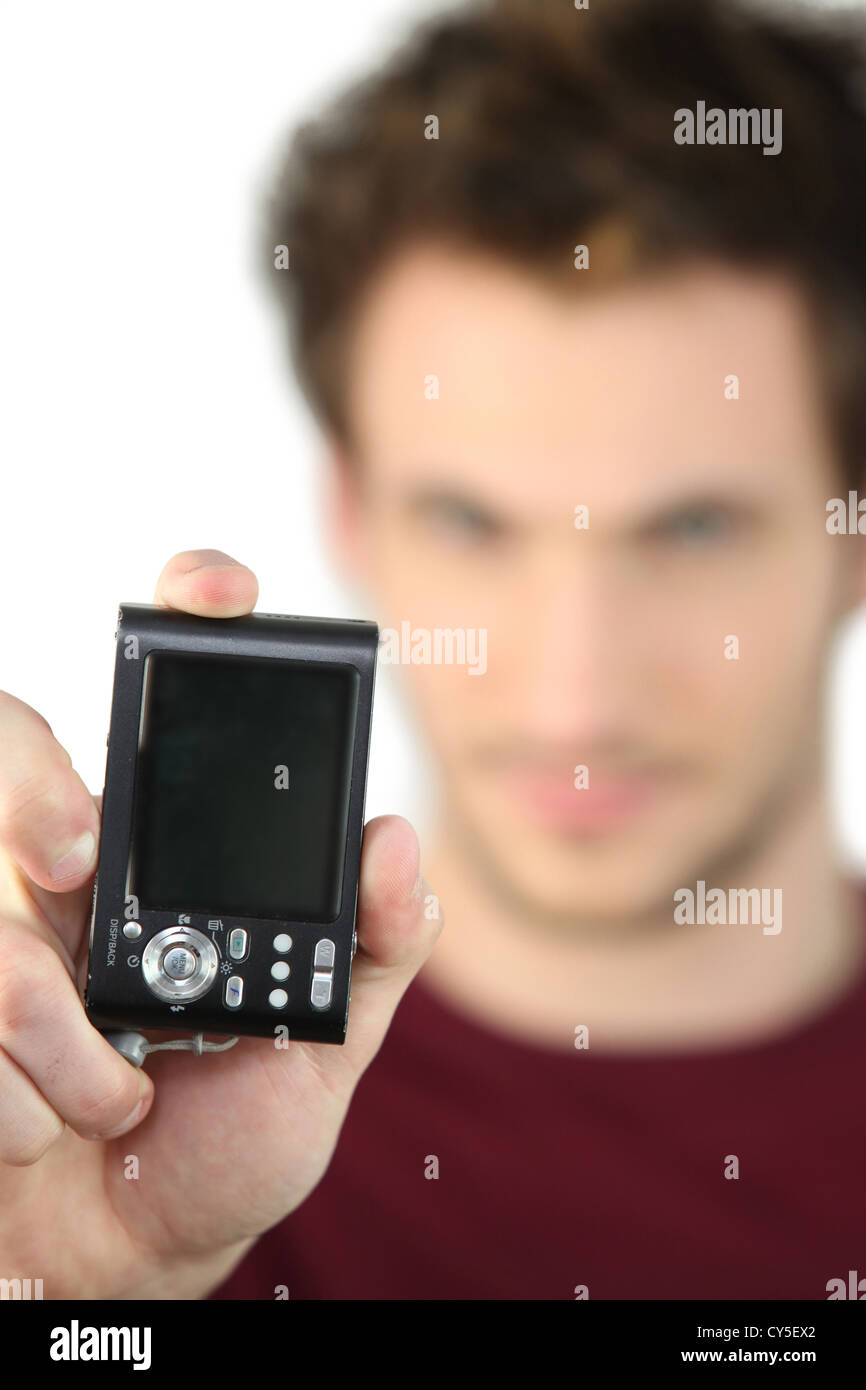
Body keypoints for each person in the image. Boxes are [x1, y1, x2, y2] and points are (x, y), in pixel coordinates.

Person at [2, 0, 866, 1301]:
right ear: (351, 509)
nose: (573, 691)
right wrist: (61, 1306)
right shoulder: (116, 1139)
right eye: (469, 519)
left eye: (690, 526)